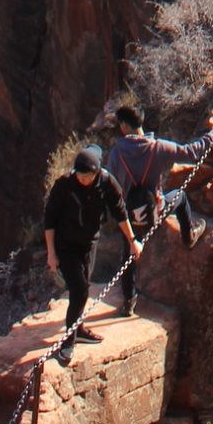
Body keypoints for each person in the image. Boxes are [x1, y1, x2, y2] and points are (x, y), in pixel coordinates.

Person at [105, 101, 212, 313]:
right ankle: (188, 235)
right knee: (179, 196)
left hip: (129, 217)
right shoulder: (158, 148)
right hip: (156, 210)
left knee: (128, 255)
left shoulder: (117, 154)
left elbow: (109, 185)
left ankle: (129, 302)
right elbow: (191, 152)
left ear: (125, 126)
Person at [42, 147, 134, 360]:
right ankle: (67, 342)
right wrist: (51, 253)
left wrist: (132, 241)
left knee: (83, 286)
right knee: (80, 290)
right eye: (79, 175)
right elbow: (50, 220)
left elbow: (120, 212)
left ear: (96, 172)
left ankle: (79, 328)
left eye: (86, 176)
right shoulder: (64, 185)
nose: (82, 179)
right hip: (65, 245)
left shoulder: (107, 183)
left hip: (89, 244)